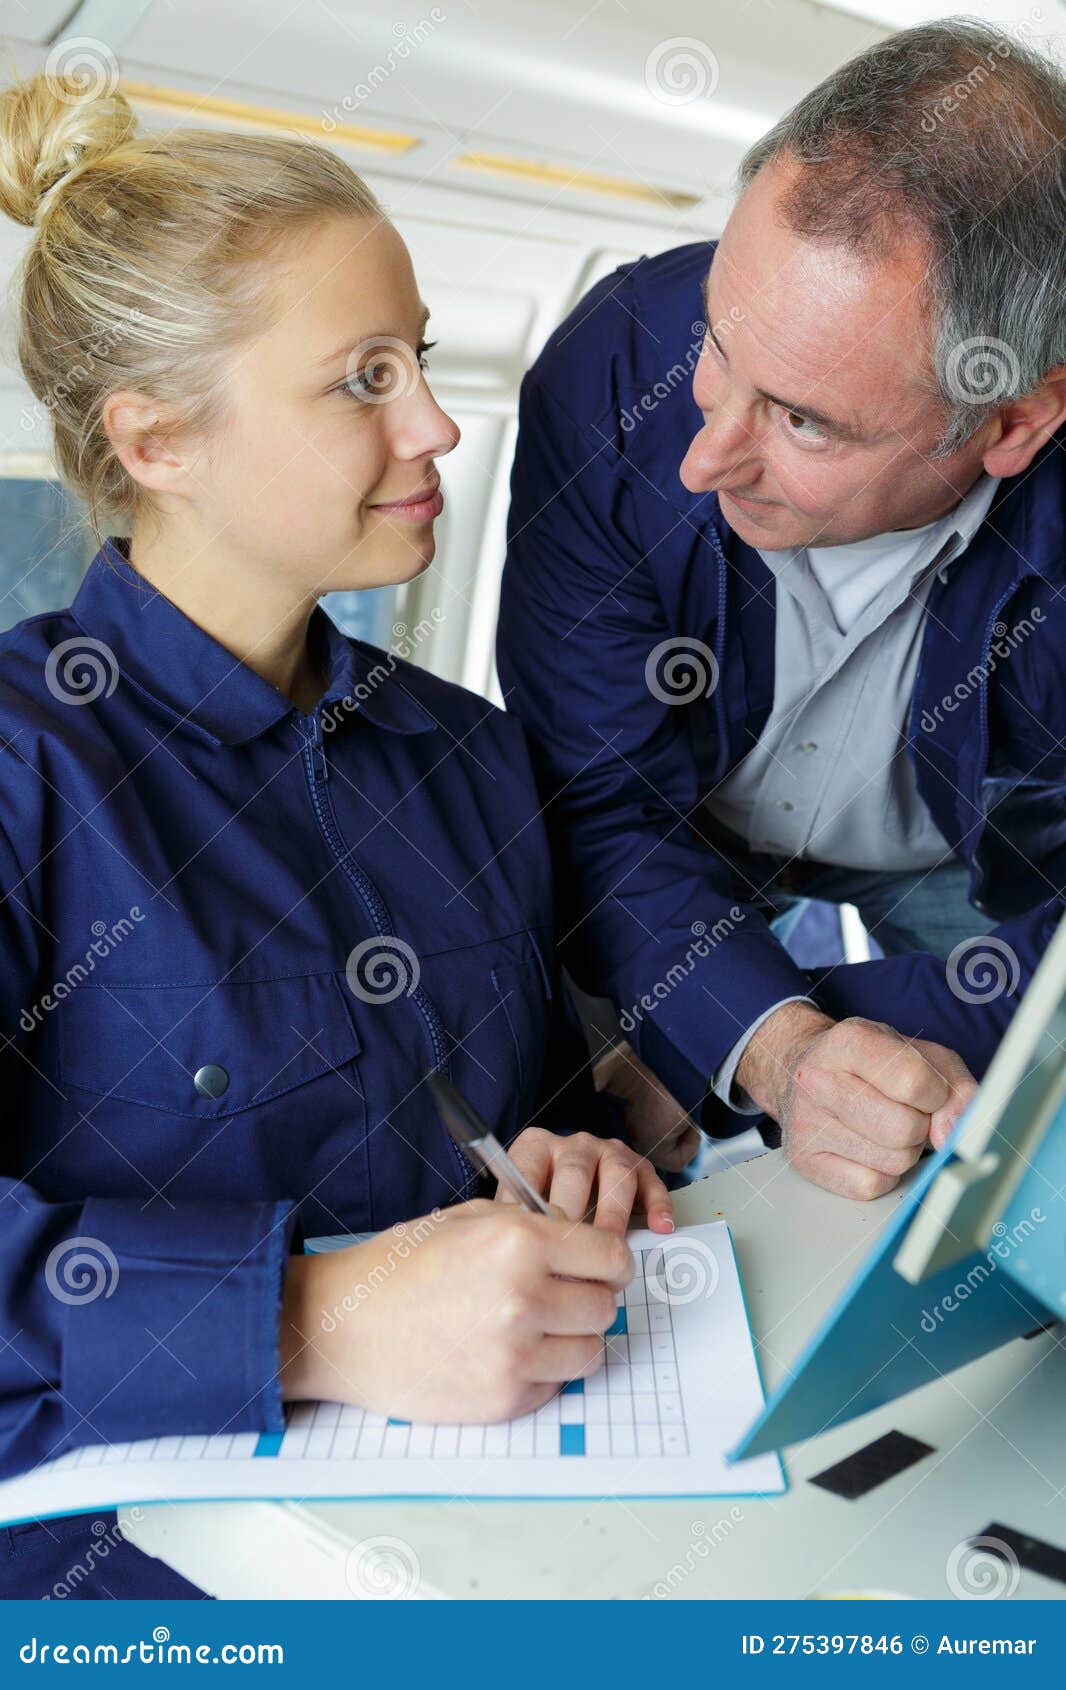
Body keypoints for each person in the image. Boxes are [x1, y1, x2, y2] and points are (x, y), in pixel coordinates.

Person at [0, 69, 671, 1597]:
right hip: (125, 1567)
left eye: (420, 359)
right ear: (157, 439)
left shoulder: (468, 753)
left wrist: (563, 1163)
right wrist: (311, 1316)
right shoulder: (25, 767)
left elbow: (512, 1124)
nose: (434, 421)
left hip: (488, 1511)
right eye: (362, 378)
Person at [497, 19, 1065, 1202]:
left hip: (961, 856)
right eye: (717, 344)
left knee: (984, 1145)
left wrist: (782, 1043)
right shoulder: (618, 367)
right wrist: (760, 1041)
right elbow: (597, 804)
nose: (703, 456)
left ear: (1012, 422)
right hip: (669, 813)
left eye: (805, 421)